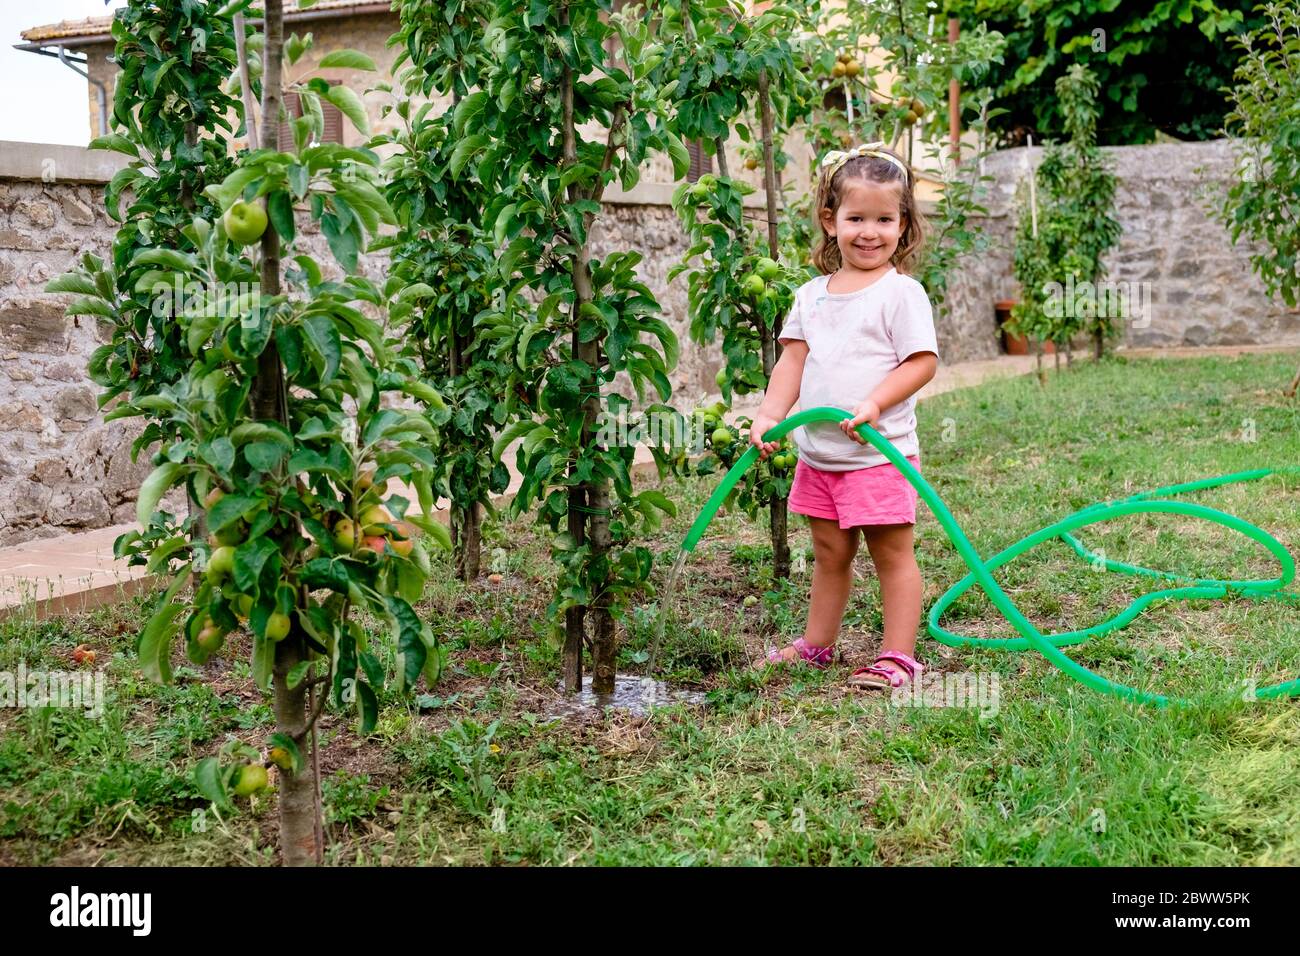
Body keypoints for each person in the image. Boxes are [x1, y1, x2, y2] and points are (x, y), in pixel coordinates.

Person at [749, 142, 939, 690]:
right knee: (830, 553)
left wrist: (876, 401)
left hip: (877, 457)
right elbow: (793, 359)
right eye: (856, 218)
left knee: (891, 555)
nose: (870, 232)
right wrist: (768, 415)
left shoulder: (900, 293)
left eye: (885, 219)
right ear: (831, 221)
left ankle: (898, 657)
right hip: (820, 454)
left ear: (903, 225)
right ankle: (817, 646)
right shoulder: (811, 296)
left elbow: (922, 361)